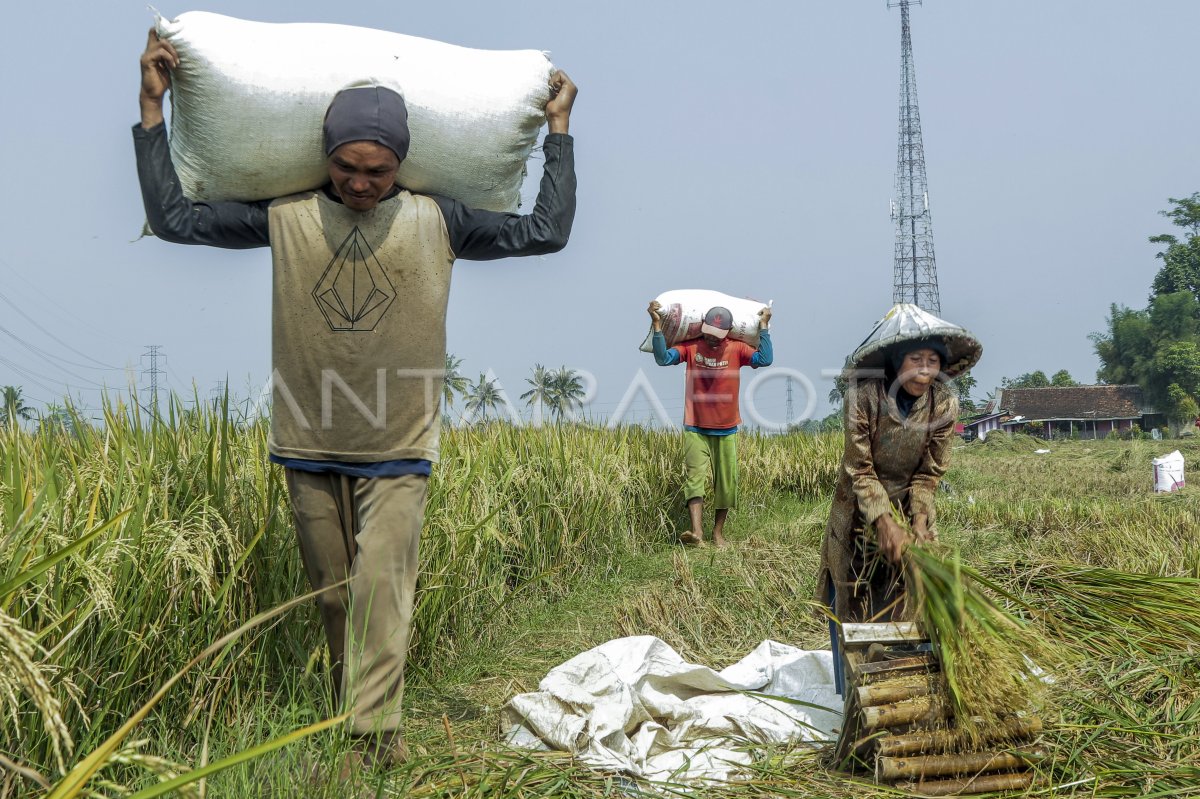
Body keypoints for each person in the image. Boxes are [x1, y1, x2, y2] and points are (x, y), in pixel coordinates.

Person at [134, 30, 577, 772]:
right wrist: (152, 109)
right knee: (336, 600)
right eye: (347, 167)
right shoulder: (285, 215)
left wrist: (558, 132)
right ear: (325, 159)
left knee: (379, 590)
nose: (361, 183)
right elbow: (179, 220)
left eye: (377, 171)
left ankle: (373, 740)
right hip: (306, 439)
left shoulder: (443, 220)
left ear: (400, 165)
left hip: (400, 442)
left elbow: (547, 231)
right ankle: (360, 715)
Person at [816, 303, 981, 696]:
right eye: (915, 360)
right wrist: (883, 522)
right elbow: (859, 468)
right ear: (896, 361)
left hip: (910, 510)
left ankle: (903, 690)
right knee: (852, 601)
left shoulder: (944, 403)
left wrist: (918, 522)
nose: (924, 371)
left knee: (912, 599)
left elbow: (929, 473)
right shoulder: (864, 396)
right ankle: (852, 698)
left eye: (932, 361)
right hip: (858, 511)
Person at [647, 300, 772, 547]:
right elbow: (662, 359)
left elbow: (765, 359)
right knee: (694, 479)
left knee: (726, 483)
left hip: (727, 429)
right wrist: (657, 325)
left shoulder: (737, 349)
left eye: (718, 335)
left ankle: (718, 534)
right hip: (695, 426)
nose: (713, 339)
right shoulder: (691, 347)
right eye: (709, 333)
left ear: (727, 332)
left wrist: (765, 327)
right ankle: (697, 533)